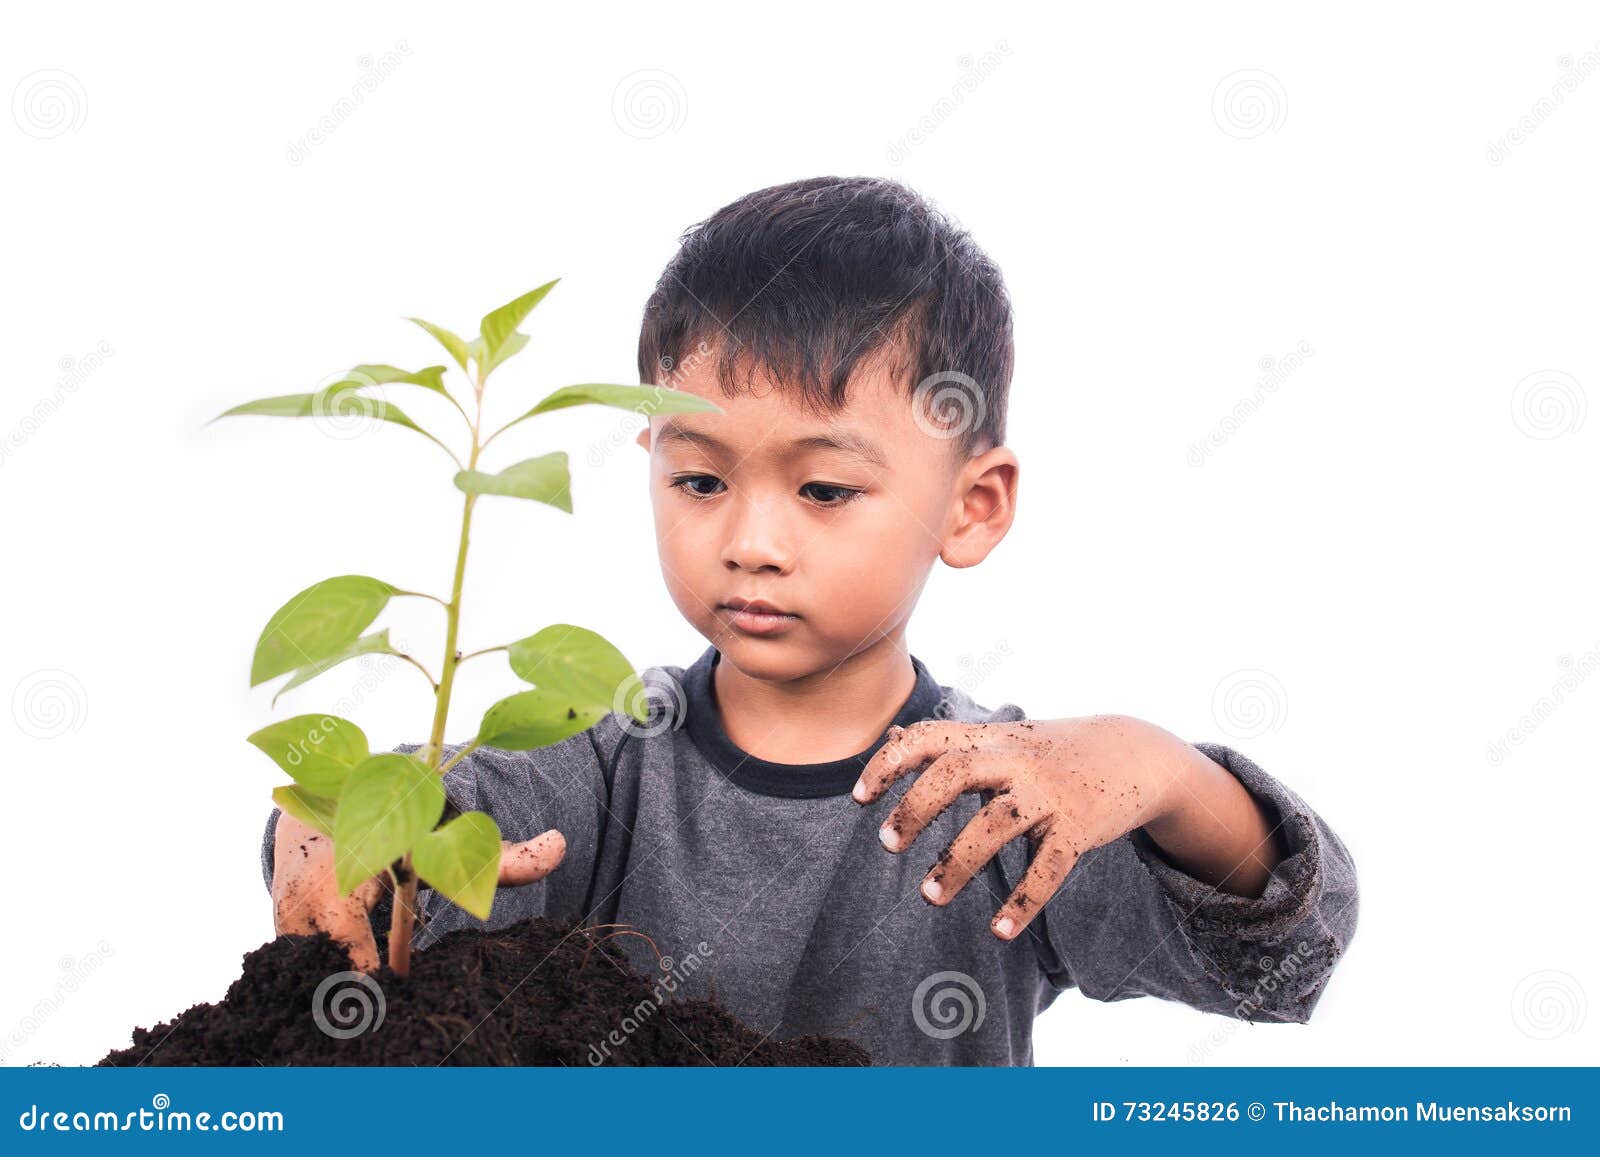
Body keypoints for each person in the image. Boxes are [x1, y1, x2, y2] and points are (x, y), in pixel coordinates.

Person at [262, 176, 1358, 1064]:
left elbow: (1281, 954)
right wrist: (327, 832)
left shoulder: (1000, 800)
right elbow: (445, 805)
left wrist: (1155, 765)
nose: (751, 540)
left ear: (970, 507)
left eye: (823, 491)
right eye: (699, 481)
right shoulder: (608, 753)